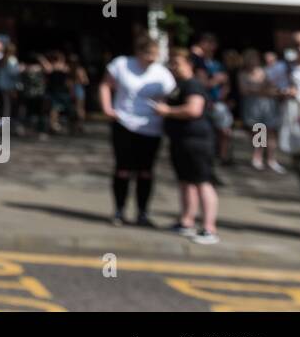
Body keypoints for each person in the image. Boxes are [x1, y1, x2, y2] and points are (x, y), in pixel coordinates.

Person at [99, 35, 175, 227]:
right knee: (123, 169)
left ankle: (142, 212)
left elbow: (171, 97)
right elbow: (105, 85)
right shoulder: (122, 64)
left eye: (155, 54)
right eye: (148, 53)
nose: (152, 58)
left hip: (151, 127)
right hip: (124, 123)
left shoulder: (162, 73)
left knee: (145, 171)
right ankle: (119, 211)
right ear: (138, 52)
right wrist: (107, 108)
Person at [154, 48, 219, 244]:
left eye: (178, 63)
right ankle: (186, 221)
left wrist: (167, 110)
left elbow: (194, 109)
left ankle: (209, 228)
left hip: (196, 141)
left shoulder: (193, 85)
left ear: (190, 64)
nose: (173, 67)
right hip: (181, 140)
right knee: (186, 182)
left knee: (202, 182)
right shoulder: (179, 85)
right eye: (172, 63)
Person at [266, 31, 300, 241]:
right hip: (295, 127)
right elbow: (264, 88)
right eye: (298, 45)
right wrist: (282, 93)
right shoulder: (282, 68)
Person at [189, 32, 232, 167]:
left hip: (218, 103)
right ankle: (208, 159)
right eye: (206, 43)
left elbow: (226, 84)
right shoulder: (197, 62)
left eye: (212, 43)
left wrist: (222, 96)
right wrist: (214, 81)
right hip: (204, 103)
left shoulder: (218, 64)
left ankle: (223, 157)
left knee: (225, 131)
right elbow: (201, 83)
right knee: (208, 133)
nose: (209, 46)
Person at [239, 48, 283, 173]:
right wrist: (262, 91)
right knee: (258, 132)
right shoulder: (243, 73)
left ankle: (271, 160)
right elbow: (244, 90)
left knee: (271, 132)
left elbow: (273, 88)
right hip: (253, 106)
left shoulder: (265, 72)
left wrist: (257, 90)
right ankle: (257, 158)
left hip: (268, 106)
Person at [68, 49, 89, 134]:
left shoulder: (75, 69)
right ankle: (78, 126)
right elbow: (86, 81)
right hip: (76, 89)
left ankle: (78, 126)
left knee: (77, 108)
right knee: (78, 108)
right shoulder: (76, 69)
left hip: (76, 88)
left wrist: (76, 81)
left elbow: (85, 81)